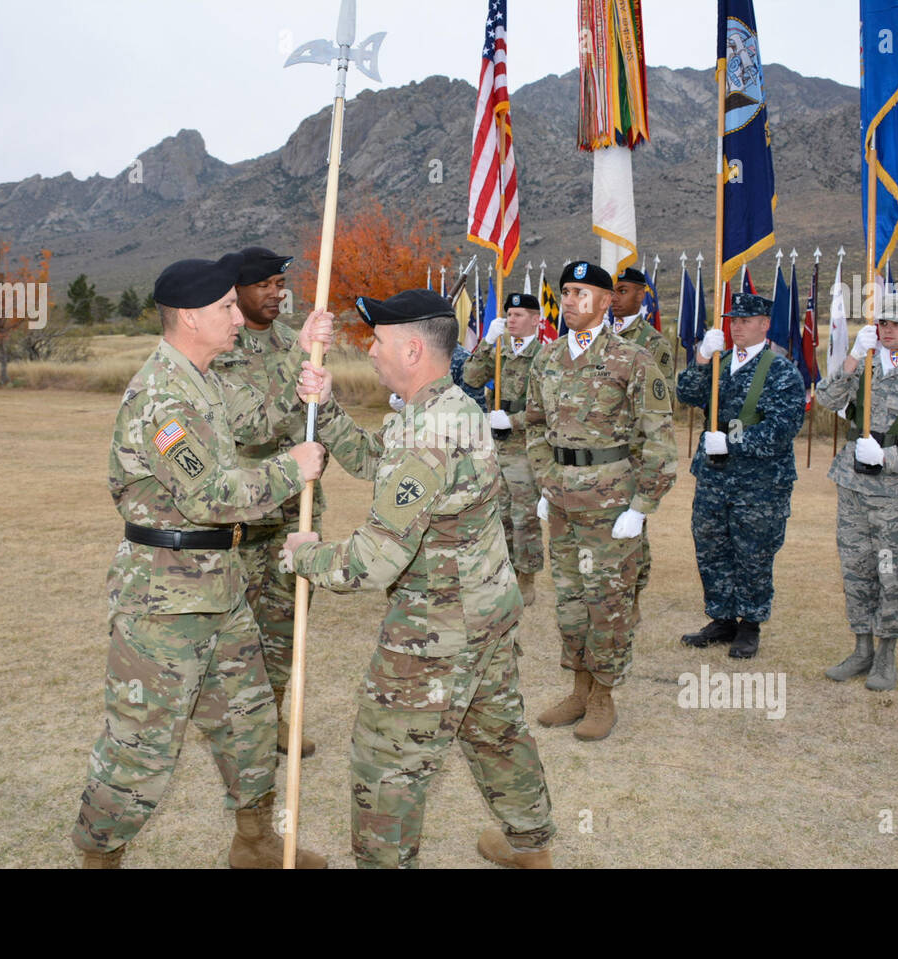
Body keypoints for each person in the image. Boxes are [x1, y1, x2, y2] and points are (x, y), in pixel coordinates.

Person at [71, 254, 331, 869]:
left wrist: (306, 382)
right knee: (142, 747)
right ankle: (99, 858)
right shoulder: (162, 399)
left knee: (249, 723)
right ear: (190, 317)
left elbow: (259, 423)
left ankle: (254, 841)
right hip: (166, 601)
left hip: (221, 587)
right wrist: (291, 470)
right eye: (224, 308)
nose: (238, 316)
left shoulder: (204, 378)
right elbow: (210, 495)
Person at [282, 289, 555, 869]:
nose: (371, 351)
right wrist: (325, 408)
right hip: (487, 609)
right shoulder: (449, 407)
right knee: (496, 732)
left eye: (377, 341)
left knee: (386, 762)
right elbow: (373, 457)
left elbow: (376, 559)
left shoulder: (427, 429)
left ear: (411, 349)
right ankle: (531, 846)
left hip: (438, 628)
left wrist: (307, 556)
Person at [526, 261, 678, 741]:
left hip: (612, 503)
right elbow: (535, 428)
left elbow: (658, 438)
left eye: (581, 292)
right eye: (565, 292)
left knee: (607, 602)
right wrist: (547, 483)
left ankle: (603, 697)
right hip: (562, 498)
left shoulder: (632, 359)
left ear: (607, 300)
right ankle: (578, 687)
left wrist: (641, 506)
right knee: (570, 600)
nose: (569, 300)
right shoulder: (546, 358)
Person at [211, 245, 321, 758]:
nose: (278, 293)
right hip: (243, 513)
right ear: (236, 290)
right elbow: (251, 425)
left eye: (281, 283)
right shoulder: (220, 346)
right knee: (238, 633)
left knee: (285, 627)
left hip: (292, 512)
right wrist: (301, 354)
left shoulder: (290, 337)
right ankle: (240, 727)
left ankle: (273, 716)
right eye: (266, 285)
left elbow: (319, 411)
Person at [813, 293, 898, 692]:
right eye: (882, 323)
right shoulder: (865, 368)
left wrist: (888, 456)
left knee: (891, 572)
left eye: (896, 323)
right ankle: (861, 649)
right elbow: (826, 399)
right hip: (854, 485)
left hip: (897, 494)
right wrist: (853, 360)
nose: (887, 329)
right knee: (856, 569)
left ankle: (887, 654)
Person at [676, 293, 806, 659]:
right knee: (712, 548)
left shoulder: (780, 370)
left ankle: (750, 623)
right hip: (714, 477)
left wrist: (732, 443)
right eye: (733, 320)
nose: (737, 327)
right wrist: (702, 358)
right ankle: (721, 617)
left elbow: (782, 429)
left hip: (759, 482)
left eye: (746, 321)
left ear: (765, 324)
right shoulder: (721, 361)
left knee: (753, 552)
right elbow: (686, 393)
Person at [461, 291, 546, 605]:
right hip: (496, 447)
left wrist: (513, 421)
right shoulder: (500, 351)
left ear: (536, 320)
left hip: (525, 447)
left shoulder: (544, 356)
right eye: (509, 314)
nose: (511, 319)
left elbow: (550, 407)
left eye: (519, 314)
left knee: (525, 517)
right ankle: (501, 571)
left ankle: (527, 577)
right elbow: (470, 377)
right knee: (497, 515)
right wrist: (486, 342)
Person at [610, 266, 677, 610]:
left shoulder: (653, 343)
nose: (615, 298)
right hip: (601, 450)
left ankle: (633, 593)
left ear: (641, 294)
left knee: (633, 526)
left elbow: (664, 398)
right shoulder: (597, 337)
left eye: (623, 291)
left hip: (633, 451)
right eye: (612, 291)